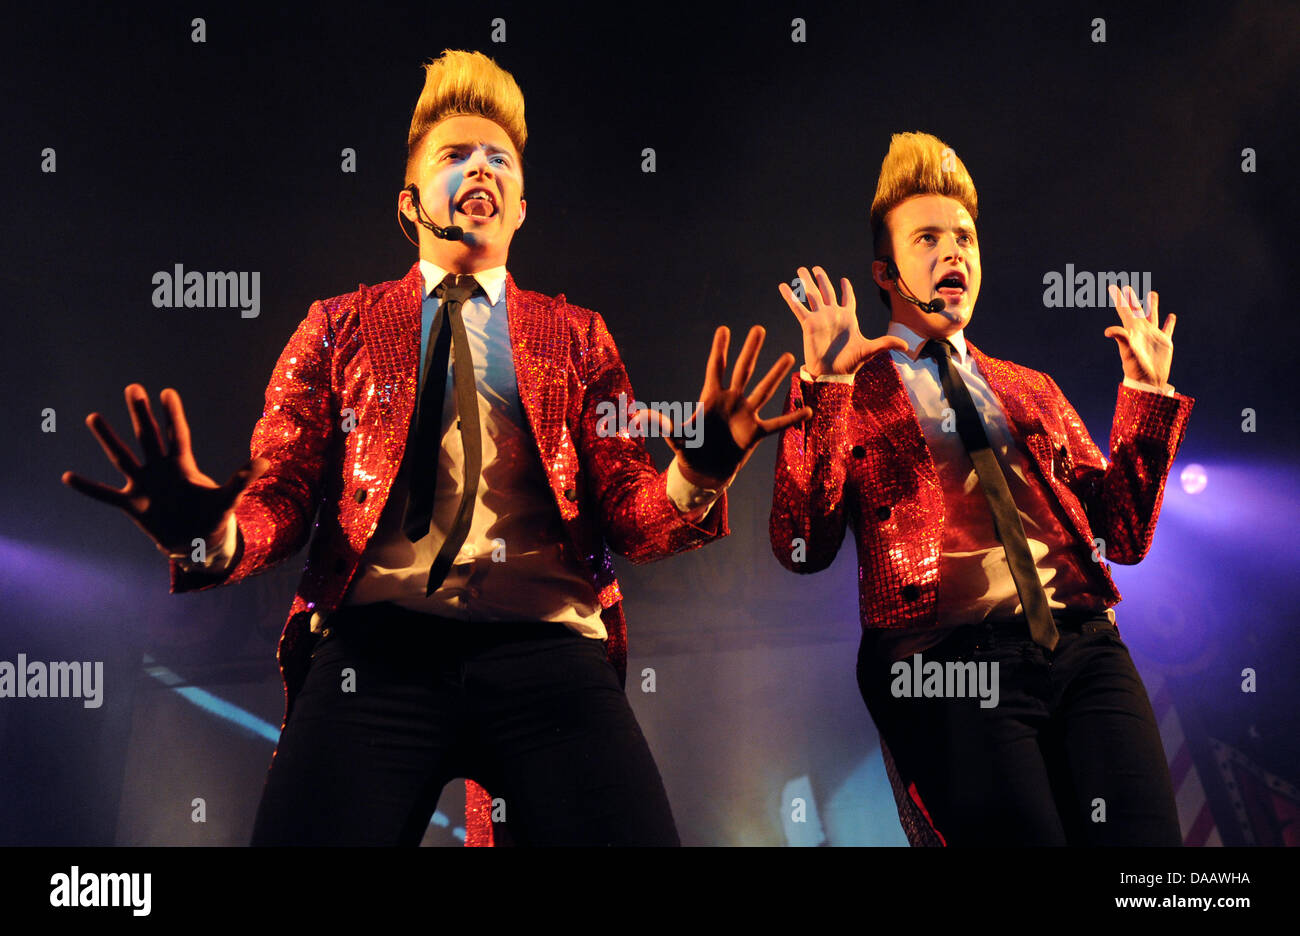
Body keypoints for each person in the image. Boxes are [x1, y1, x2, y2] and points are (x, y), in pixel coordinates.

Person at [63, 49, 808, 846]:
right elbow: (281, 492)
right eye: (455, 154)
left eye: (500, 159)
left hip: (549, 652)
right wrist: (209, 534)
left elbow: (632, 518)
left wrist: (699, 470)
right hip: (375, 653)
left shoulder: (577, 334)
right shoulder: (338, 325)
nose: (481, 167)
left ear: (522, 207)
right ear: (409, 201)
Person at [769, 131, 1193, 846]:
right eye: (927, 237)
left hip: (1088, 650)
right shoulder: (853, 388)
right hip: (953, 667)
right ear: (884, 271)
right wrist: (827, 388)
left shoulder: (1030, 388)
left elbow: (1122, 535)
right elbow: (803, 545)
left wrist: (1146, 398)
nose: (953, 252)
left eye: (964, 237)